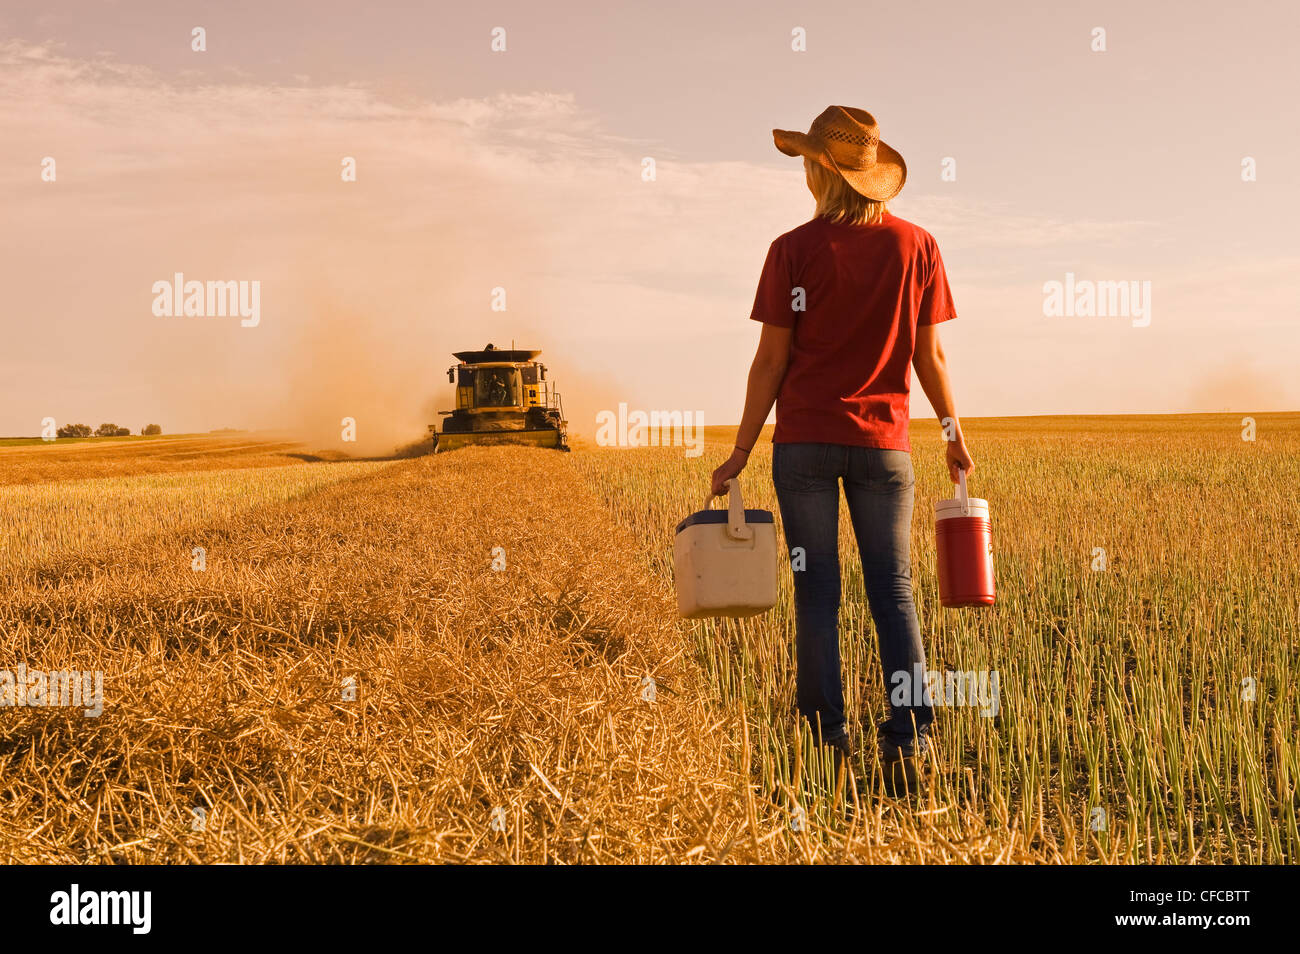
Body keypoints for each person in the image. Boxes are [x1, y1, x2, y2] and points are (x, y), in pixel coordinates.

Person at [709, 106, 974, 796]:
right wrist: (951, 434)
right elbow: (931, 357)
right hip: (884, 448)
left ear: (820, 168)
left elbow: (770, 361)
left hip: (803, 446)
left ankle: (826, 742)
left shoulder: (792, 249)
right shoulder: (917, 246)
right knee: (895, 592)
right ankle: (910, 741)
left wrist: (739, 450)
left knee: (816, 593)